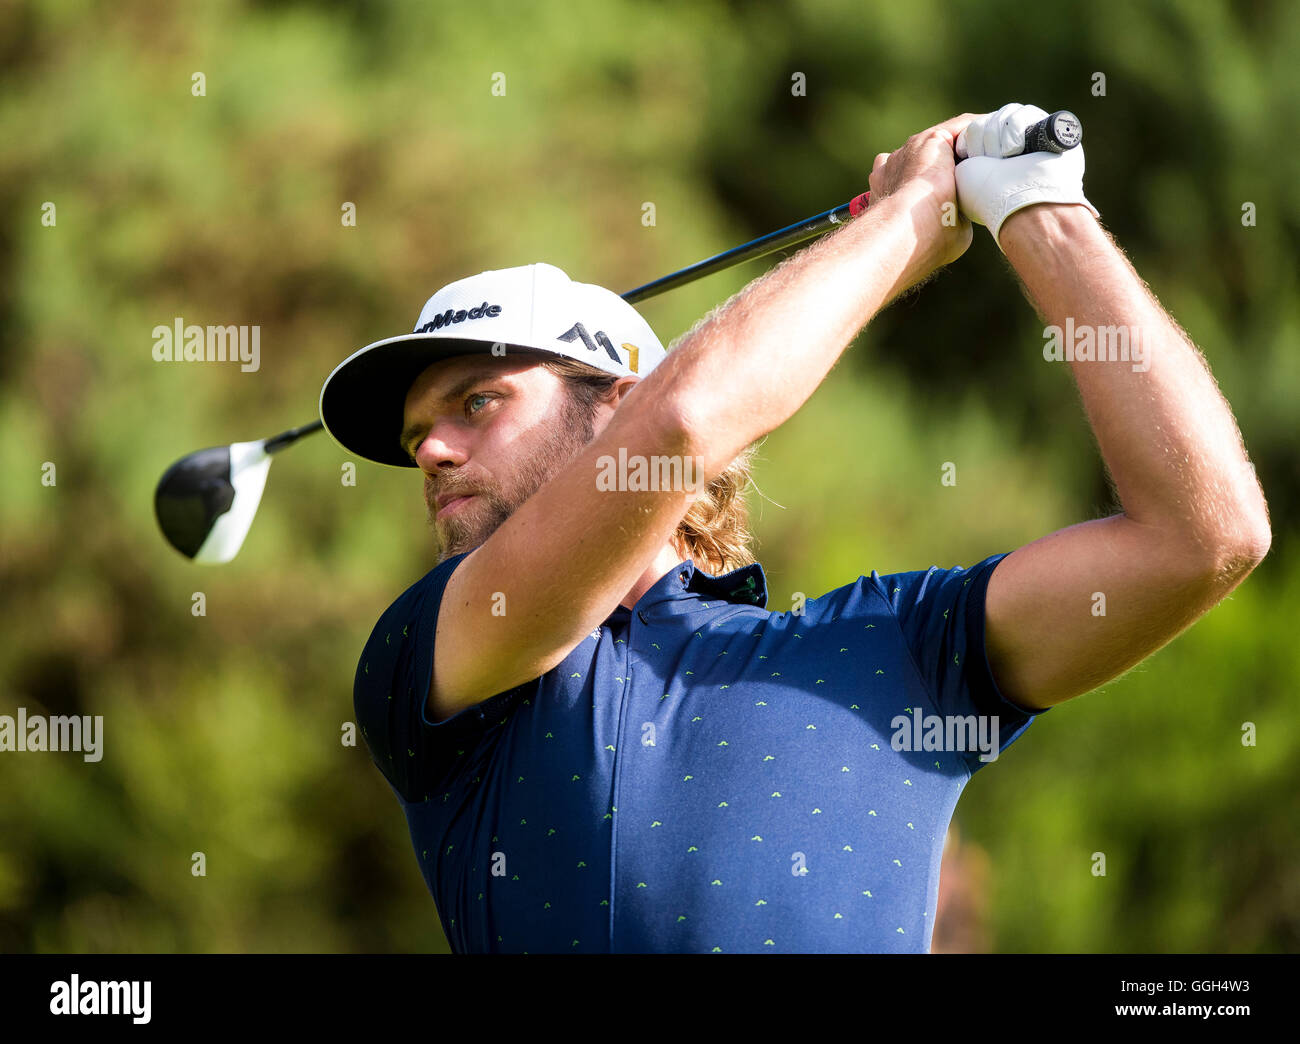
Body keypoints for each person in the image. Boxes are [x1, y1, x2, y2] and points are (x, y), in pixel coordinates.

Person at [319, 103, 1271, 953]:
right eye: (415, 437)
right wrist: (910, 222)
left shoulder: (900, 646)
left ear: (613, 407)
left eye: (477, 403)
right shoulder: (434, 665)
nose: (433, 452)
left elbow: (1207, 536)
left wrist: (1038, 207)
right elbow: (687, 420)